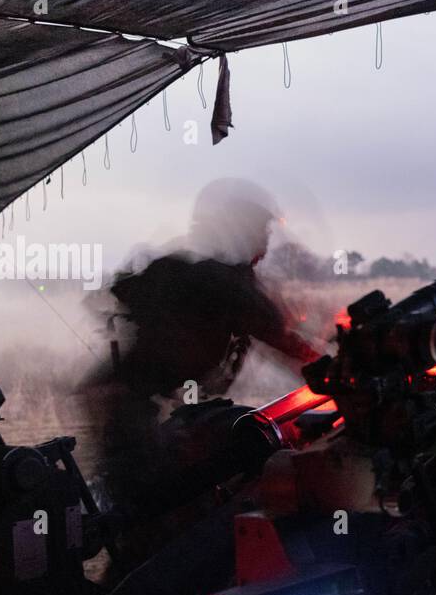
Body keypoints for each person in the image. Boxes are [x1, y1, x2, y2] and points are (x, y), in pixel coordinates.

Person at [79, 179, 322, 522]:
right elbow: (284, 341)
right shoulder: (219, 284)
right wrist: (335, 368)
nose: (266, 239)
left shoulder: (207, 276)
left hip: (141, 406)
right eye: (260, 228)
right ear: (237, 227)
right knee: (164, 517)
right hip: (133, 411)